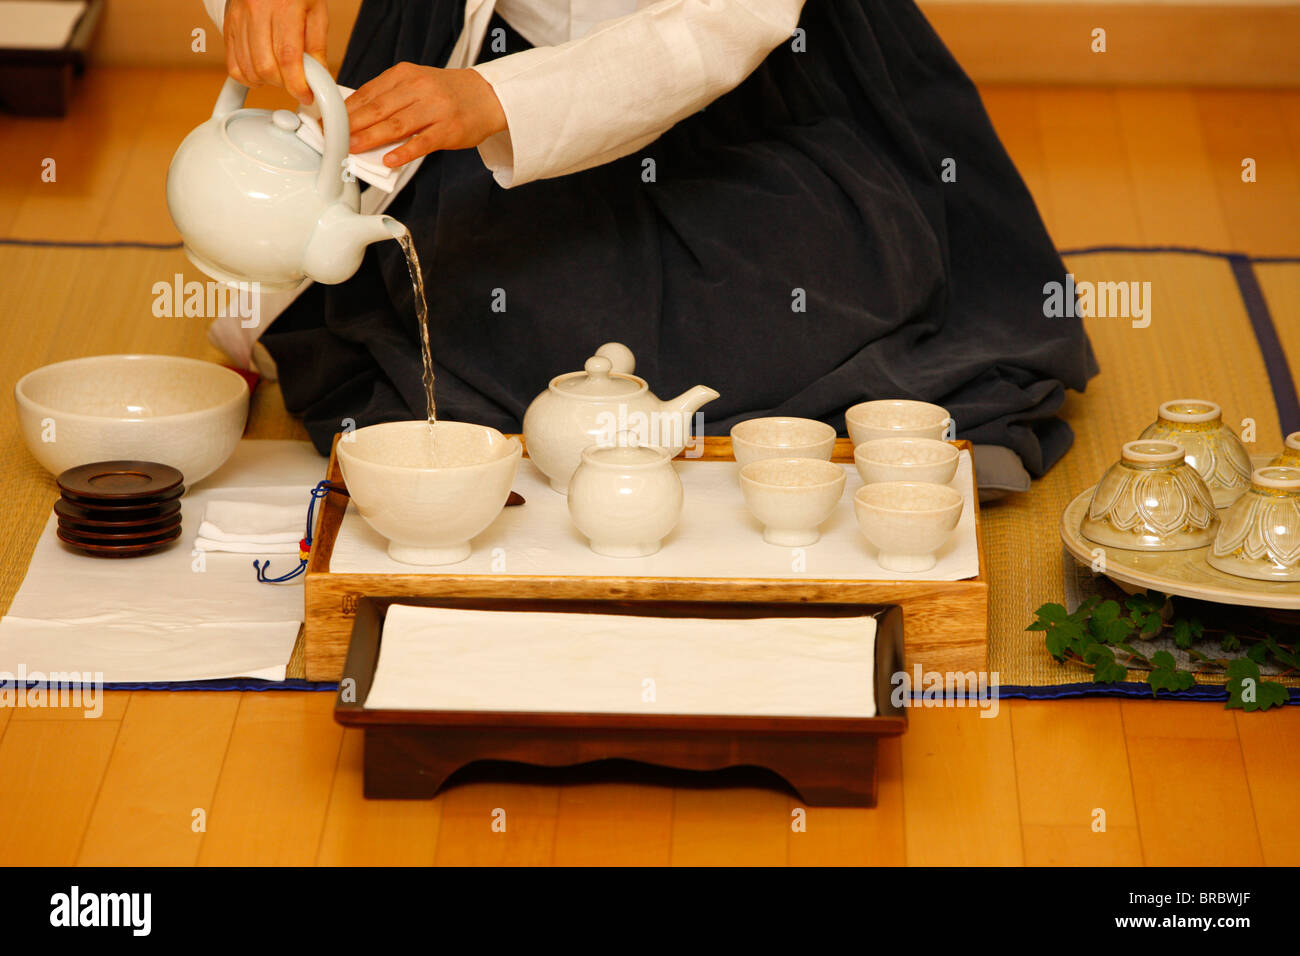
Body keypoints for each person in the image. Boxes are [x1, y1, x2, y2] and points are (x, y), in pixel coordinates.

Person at [202, 0, 1097, 484]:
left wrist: (503, 103)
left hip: (752, 88)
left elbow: (726, 22)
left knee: (798, 293)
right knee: (468, 291)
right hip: (472, 54)